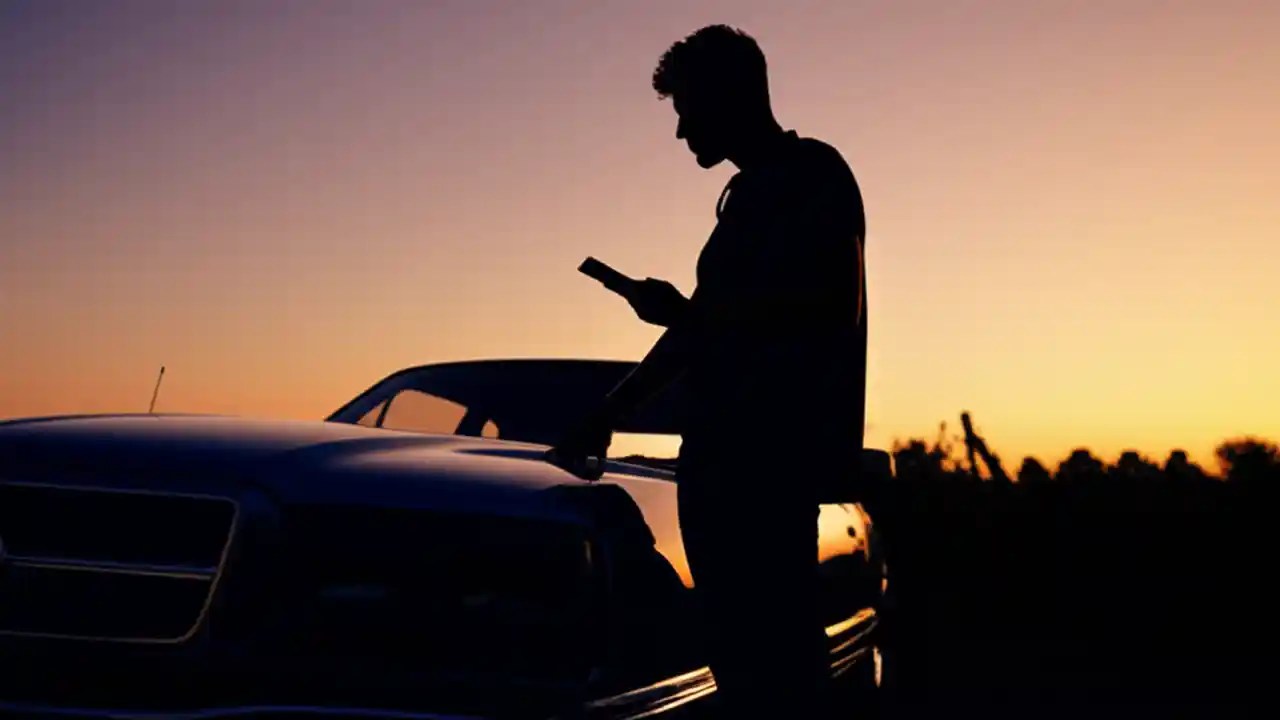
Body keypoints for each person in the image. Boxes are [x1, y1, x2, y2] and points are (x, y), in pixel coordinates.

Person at [549, 24, 868, 718]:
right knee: (743, 662)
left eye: (688, 109)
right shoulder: (751, 192)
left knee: (776, 664)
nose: (680, 130)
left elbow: (823, 314)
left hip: (764, 468)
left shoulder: (811, 175)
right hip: (725, 466)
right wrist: (613, 405)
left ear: (732, 96)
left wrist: (687, 316)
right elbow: (713, 330)